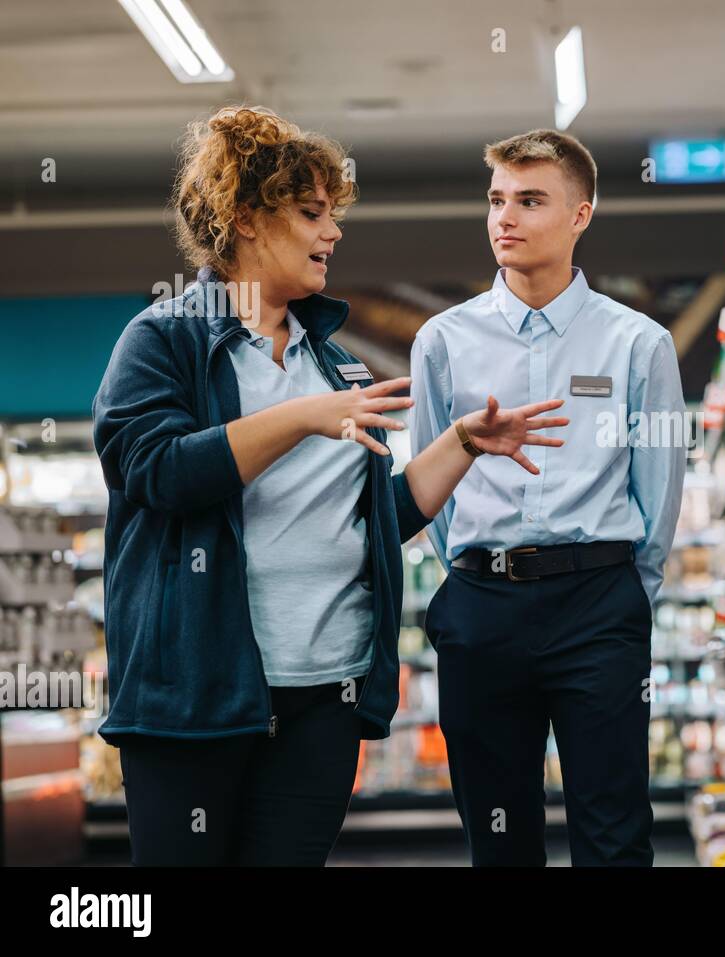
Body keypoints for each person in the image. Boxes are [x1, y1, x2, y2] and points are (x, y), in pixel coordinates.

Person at [91, 106, 567, 866]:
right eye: (312, 214)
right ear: (246, 219)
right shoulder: (165, 341)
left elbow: (376, 519)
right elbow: (156, 471)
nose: (333, 233)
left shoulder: (334, 364)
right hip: (198, 697)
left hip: (324, 697)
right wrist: (302, 418)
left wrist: (464, 444)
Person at [410, 129, 687, 867]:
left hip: (598, 604)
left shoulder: (638, 344)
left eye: (531, 200)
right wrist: (477, 572)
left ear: (580, 215)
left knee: (614, 834)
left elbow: (658, 494)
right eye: (497, 199)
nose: (506, 217)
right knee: (499, 842)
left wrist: (628, 596)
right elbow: (428, 484)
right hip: (481, 605)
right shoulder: (442, 341)